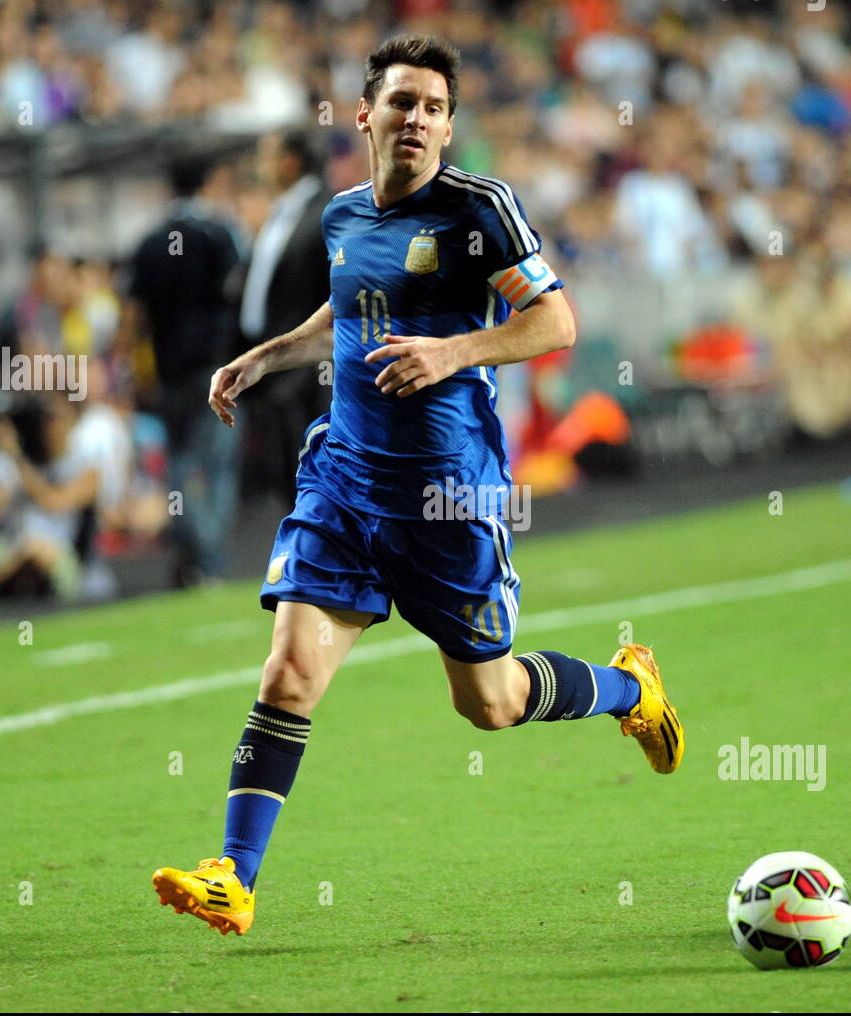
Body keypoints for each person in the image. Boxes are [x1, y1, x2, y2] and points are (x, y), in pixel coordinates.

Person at [152, 34, 685, 938]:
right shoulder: (342, 216)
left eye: (435, 108)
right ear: (366, 115)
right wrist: (267, 356)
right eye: (403, 103)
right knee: (287, 675)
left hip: (448, 497)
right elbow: (348, 308)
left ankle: (631, 690)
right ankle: (233, 879)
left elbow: (554, 319)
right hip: (346, 481)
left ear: (448, 125)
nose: (419, 120)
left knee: (491, 703)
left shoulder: (480, 210)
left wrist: (453, 350)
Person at [124, 155, 244, 586]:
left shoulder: (150, 241)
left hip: (169, 370)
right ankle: (208, 558)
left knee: (179, 463)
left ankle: (188, 551)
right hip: (218, 369)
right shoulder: (218, 234)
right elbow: (241, 298)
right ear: (207, 182)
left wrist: (139, 371)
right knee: (217, 467)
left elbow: (133, 315)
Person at [237, 129, 333, 510]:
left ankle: (330, 561)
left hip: (307, 372)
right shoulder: (282, 214)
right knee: (288, 477)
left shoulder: (325, 211)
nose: (261, 166)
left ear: (291, 161)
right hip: (274, 370)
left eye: (267, 155)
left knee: (315, 475)